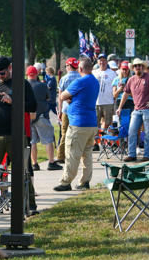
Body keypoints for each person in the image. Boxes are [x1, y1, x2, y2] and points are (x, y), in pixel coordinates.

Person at [0, 56, 37, 177]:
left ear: (10, 68)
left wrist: (13, 101)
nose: (0, 76)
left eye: (2, 73)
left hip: (16, 134)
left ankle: (27, 195)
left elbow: (33, 106)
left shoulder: (22, 83)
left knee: (23, 171)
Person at [53, 58, 99, 192]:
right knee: (87, 154)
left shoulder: (80, 81)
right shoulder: (94, 81)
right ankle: (85, 181)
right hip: (91, 122)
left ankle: (66, 182)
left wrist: (69, 98)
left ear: (80, 69)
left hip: (79, 124)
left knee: (72, 153)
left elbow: (62, 96)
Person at [117, 58, 149, 162]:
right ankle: (132, 154)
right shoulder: (131, 79)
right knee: (132, 132)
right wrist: (120, 107)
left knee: (148, 133)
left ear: (143, 67)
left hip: (148, 109)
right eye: (136, 66)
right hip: (136, 109)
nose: (138, 67)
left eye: (140, 66)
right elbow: (125, 93)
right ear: (133, 68)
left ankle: (147, 155)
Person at [26, 66, 61, 171]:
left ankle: (35, 163)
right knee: (48, 139)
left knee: (32, 141)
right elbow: (48, 97)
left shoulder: (23, 85)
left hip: (29, 116)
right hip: (41, 115)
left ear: (27, 74)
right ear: (36, 74)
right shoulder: (42, 85)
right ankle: (51, 162)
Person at [55, 58, 81, 164]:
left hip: (66, 109)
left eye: (66, 66)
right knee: (77, 132)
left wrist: (59, 111)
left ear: (69, 66)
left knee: (65, 133)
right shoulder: (81, 78)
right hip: (78, 109)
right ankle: (76, 155)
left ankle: (61, 156)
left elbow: (60, 97)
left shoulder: (64, 79)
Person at [94, 53, 117, 130]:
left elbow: (115, 86)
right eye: (100, 60)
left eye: (104, 60)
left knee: (107, 124)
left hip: (108, 102)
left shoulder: (112, 73)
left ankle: (104, 140)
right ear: (97, 62)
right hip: (96, 102)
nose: (102, 62)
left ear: (107, 62)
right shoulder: (94, 73)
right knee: (95, 124)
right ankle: (96, 141)